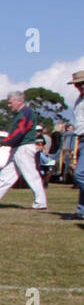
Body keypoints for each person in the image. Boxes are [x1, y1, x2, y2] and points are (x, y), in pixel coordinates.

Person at [0, 90, 47, 210]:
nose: (9, 105)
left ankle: (40, 203)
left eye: (10, 102)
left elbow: (20, 132)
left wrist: (1, 143)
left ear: (18, 100)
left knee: (31, 175)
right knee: (7, 176)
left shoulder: (26, 112)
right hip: (18, 148)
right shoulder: (22, 113)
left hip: (24, 147)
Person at [70, 70, 84, 219]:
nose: (79, 87)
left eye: (81, 84)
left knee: (79, 174)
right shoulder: (79, 100)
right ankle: (81, 210)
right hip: (81, 138)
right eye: (77, 85)